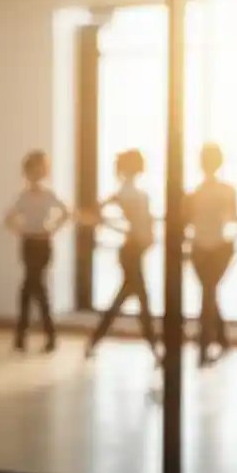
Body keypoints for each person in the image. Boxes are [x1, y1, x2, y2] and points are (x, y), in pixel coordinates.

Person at [84, 149, 160, 361]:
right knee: (141, 299)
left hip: (135, 249)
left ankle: (95, 340)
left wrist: (118, 227)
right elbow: (97, 213)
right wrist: (120, 228)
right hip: (131, 251)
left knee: (125, 298)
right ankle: (154, 347)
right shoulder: (127, 194)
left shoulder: (131, 193)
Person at [5, 149, 70, 352]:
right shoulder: (23, 196)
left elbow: (67, 213)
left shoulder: (49, 194)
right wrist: (21, 231)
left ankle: (28, 335)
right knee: (33, 287)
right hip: (28, 243)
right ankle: (40, 335)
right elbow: (8, 218)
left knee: (32, 287)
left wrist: (52, 229)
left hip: (42, 244)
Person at [186, 143, 237, 367]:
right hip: (209, 246)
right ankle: (220, 341)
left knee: (207, 294)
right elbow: (233, 217)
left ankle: (204, 347)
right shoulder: (221, 191)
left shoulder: (197, 193)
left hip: (208, 247)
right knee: (209, 294)